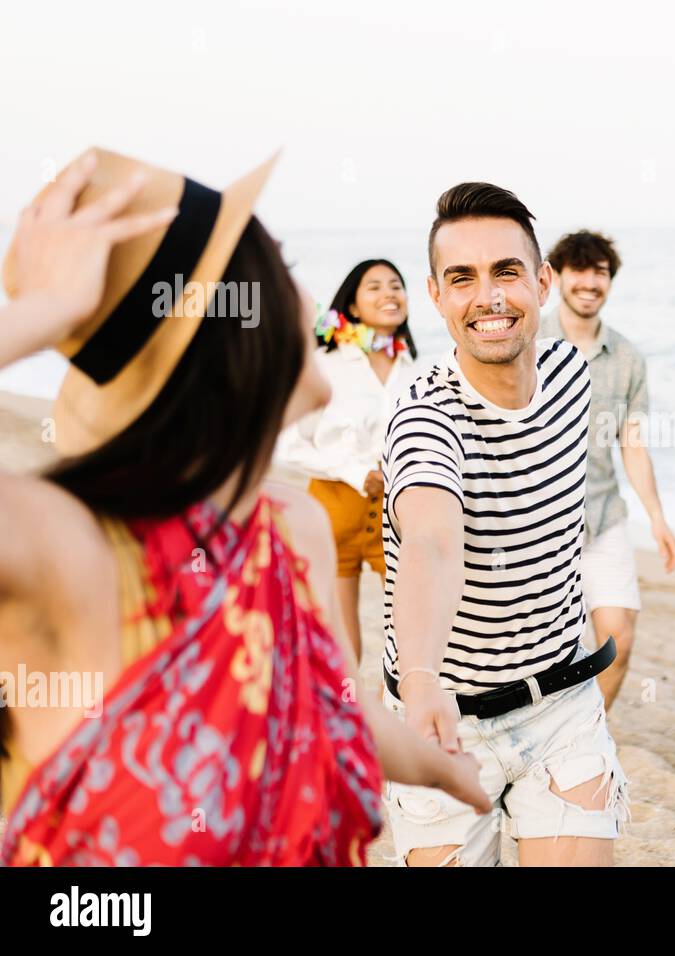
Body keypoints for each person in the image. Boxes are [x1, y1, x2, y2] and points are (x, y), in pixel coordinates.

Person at [0, 149, 488, 866]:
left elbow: (328, 707)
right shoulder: (74, 545)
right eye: (280, 262)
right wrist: (42, 315)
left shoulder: (294, 528)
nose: (305, 292)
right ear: (237, 321)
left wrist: (441, 766)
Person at [381, 183, 630, 867]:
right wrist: (426, 678)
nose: (487, 296)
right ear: (436, 296)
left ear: (543, 282)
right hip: (443, 720)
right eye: (462, 278)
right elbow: (431, 541)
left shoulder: (572, 377)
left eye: (506, 271)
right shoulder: (424, 418)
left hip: (562, 706)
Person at [539, 230, 675, 710]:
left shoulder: (627, 358)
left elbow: (632, 445)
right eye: (578, 269)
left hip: (603, 514)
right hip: (533, 520)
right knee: (540, 653)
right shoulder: (526, 341)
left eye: (600, 271)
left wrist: (657, 517)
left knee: (617, 638)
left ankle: (590, 735)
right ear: (555, 277)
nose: (589, 281)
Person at [276, 258, 421, 661]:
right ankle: (351, 719)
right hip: (333, 508)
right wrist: (357, 471)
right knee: (341, 644)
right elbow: (288, 444)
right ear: (353, 307)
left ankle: (391, 715)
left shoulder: (420, 372)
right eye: (374, 286)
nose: (389, 293)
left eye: (396, 284)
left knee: (410, 632)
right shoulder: (327, 365)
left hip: (397, 515)